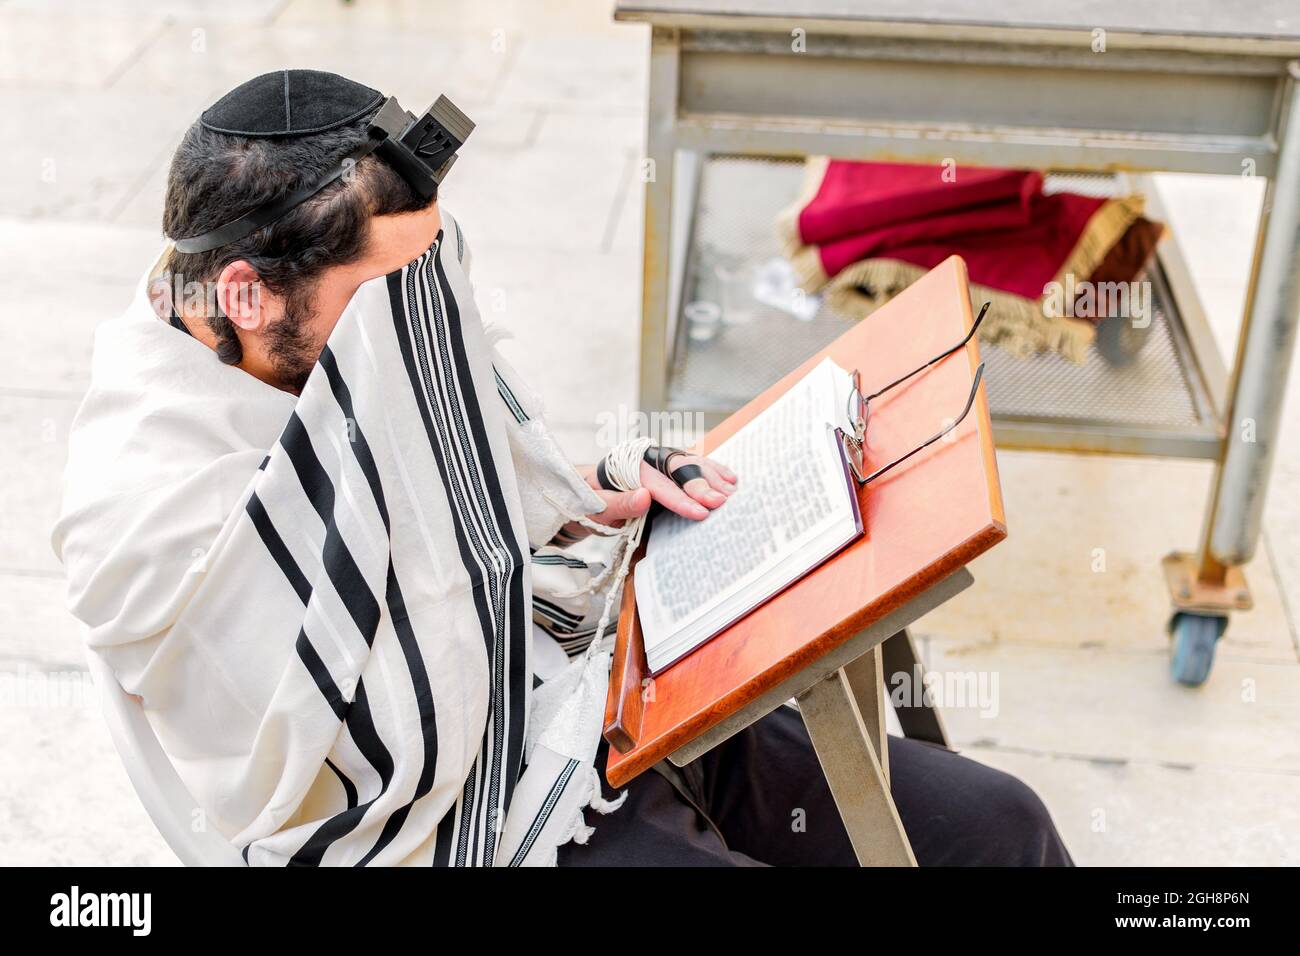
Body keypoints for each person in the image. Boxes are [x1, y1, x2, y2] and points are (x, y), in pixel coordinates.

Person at [53, 70, 1072, 867]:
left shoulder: (348, 315)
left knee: (999, 829)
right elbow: (368, 742)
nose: (425, 329)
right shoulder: (145, 512)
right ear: (246, 296)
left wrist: (590, 503)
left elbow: (476, 481)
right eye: (387, 303)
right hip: (456, 817)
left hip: (588, 705)